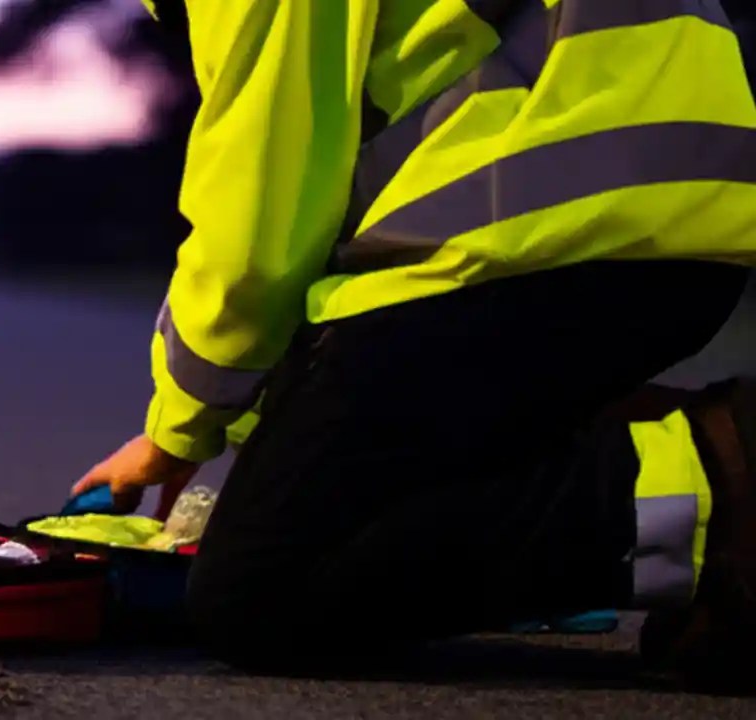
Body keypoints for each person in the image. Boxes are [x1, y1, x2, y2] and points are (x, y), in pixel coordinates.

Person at [70, 0, 756, 691]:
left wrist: (179, 430)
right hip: (668, 195)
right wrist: (270, 425)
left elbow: (258, 213)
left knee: (258, 588)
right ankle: (680, 462)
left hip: (549, 219)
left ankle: (724, 487)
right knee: (347, 491)